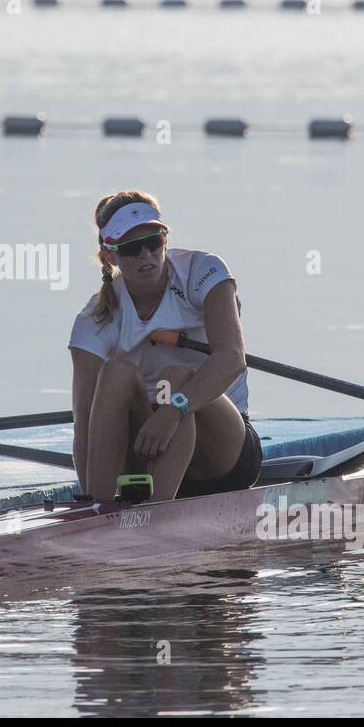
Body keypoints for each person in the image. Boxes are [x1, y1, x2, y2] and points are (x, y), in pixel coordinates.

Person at [68, 190, 259, 502]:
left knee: (175, 378)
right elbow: (85, 428)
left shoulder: (205, 273)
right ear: (110, 256)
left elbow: (232, 358)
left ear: (165, 240)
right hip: (150, 447)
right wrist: (88, 492)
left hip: (225, 453)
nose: (146, 254)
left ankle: (156, 514)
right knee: (116, 373)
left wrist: (172, 412)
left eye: (153, 241)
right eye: (131, 247)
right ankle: (97, 511)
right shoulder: (93, 320)